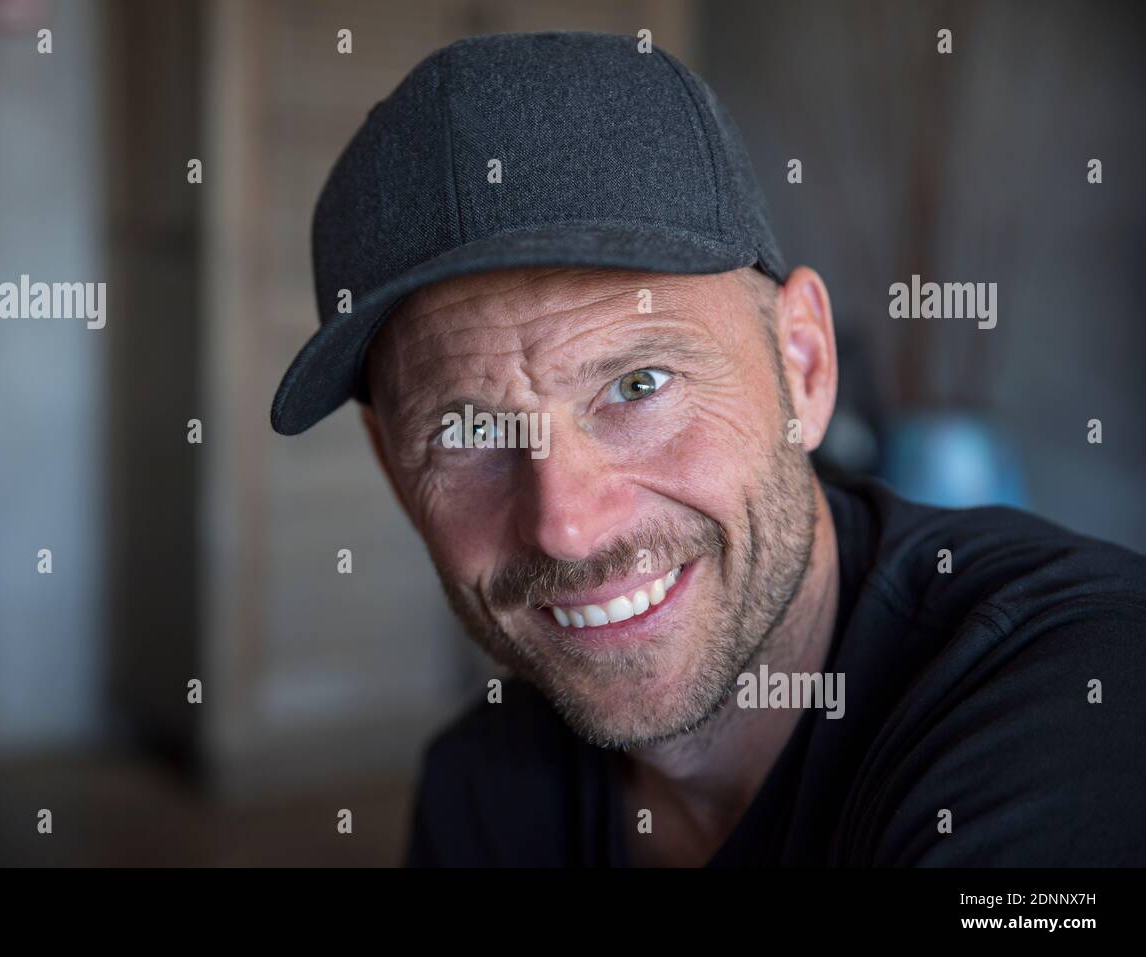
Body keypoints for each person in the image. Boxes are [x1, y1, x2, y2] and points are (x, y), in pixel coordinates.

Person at [269, 32, 1146, 866]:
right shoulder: (482, 793)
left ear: (802, 364)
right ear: (392, 466)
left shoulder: (1074, 700)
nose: (565, 525)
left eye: (639, 385)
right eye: (468, 430)